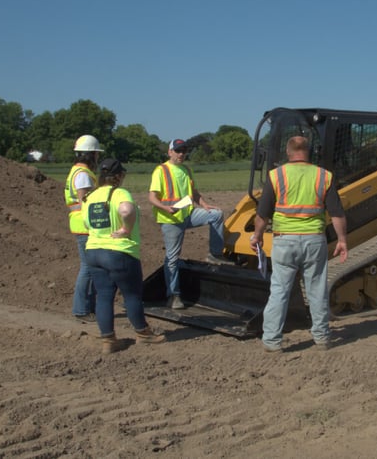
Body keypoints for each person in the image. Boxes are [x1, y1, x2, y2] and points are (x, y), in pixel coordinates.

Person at [250, 136, 348, 352]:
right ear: (308, 152)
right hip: (314, 240)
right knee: (316, 289)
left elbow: (262, 214)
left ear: (288, 152)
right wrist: (342, 240)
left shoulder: (276, 175)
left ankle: (272, 341)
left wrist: (257, 235)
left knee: (279, 291)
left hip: (284, 241)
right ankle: (322, 338)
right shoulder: (324, 176)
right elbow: (337, 213)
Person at [83, 158, 165, 354]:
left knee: (103, 296)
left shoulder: (90, 196)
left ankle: (108, 340)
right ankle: (143, 334)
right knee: (132, 295)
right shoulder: (119, 193)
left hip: (93, 251)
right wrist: (125, 229)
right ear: (118, 176)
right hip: (119, 252)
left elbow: (87, 224)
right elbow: (126, 210)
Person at [149, 138, 232, 310]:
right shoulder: (161, 170)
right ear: (169, 151)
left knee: (216, 214)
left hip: (188, 214)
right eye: (178, 151)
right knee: (172, 258)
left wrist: (204, 204)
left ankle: (215, 254)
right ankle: (173, 295)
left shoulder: (186, 169)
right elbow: (152, 197)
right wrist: (165, 207)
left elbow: (193, 192)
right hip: (170, 219)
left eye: (184, 151)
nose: (181, 154)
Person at [64, 134, 103, 322]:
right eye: (96, 153)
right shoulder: (83, 175)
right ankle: (82, 309)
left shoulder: (76, 171)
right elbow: (86, 203)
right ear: (91, 154)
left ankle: (88, 308)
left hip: (81, 224)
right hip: (84, 226)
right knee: (87, 268)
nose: (97, 157)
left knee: (88, 267)